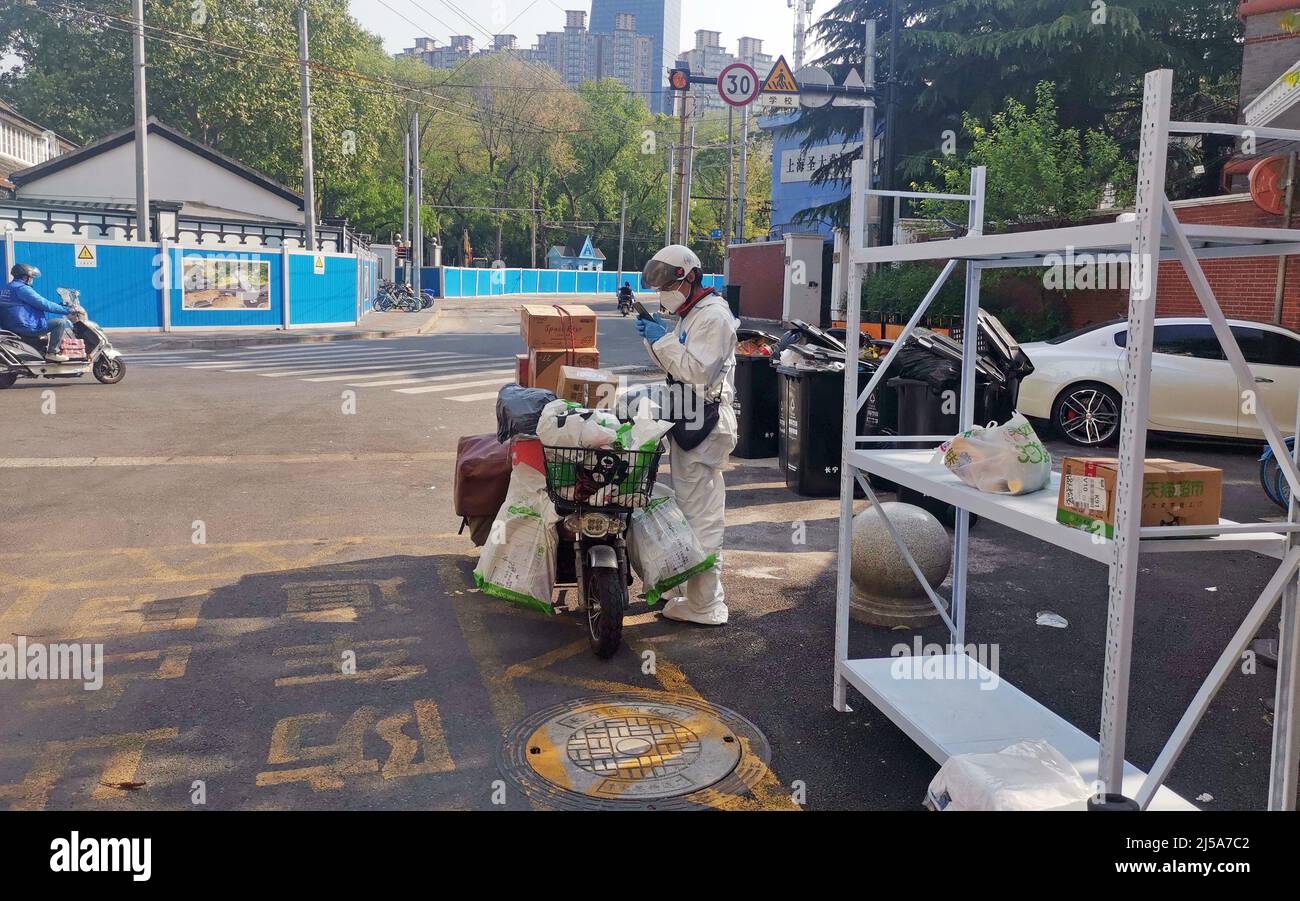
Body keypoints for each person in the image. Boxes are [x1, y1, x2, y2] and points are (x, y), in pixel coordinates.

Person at [634, 244, 738, 626]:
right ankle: (694, 594)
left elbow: (696, 372)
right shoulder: (691, 314)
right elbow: (677, 365)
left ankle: (706, 604)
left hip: (706, 421)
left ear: (690, 277)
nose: (663, 292)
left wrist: (661, 340)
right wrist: (654, 339)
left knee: (702, 515)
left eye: (667, 283)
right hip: (693, 417)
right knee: (692, 509)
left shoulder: (713, 317)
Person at [0, 264, 75, 362]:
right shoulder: (22, 289)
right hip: (24, 327)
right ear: (26, 277)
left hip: (10, 326)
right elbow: (45, 304)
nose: (32, 279)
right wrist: (68, 310)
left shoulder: (7, 288)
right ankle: (52, 353)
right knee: (59, 323)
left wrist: (60, 306)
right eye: (31, 277)